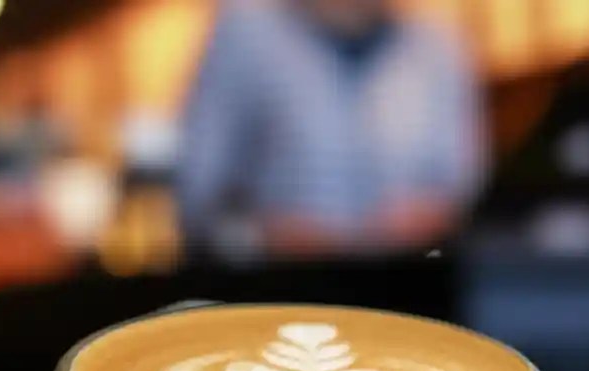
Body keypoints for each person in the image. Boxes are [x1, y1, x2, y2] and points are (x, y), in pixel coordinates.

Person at [176, 0, 485, 262]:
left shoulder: (436, 48)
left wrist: (423, 219)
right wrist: (268, 237)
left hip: (405, 292)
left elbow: (459, 189)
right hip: (270, 297)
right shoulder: (245, 30)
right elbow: (198, 197)